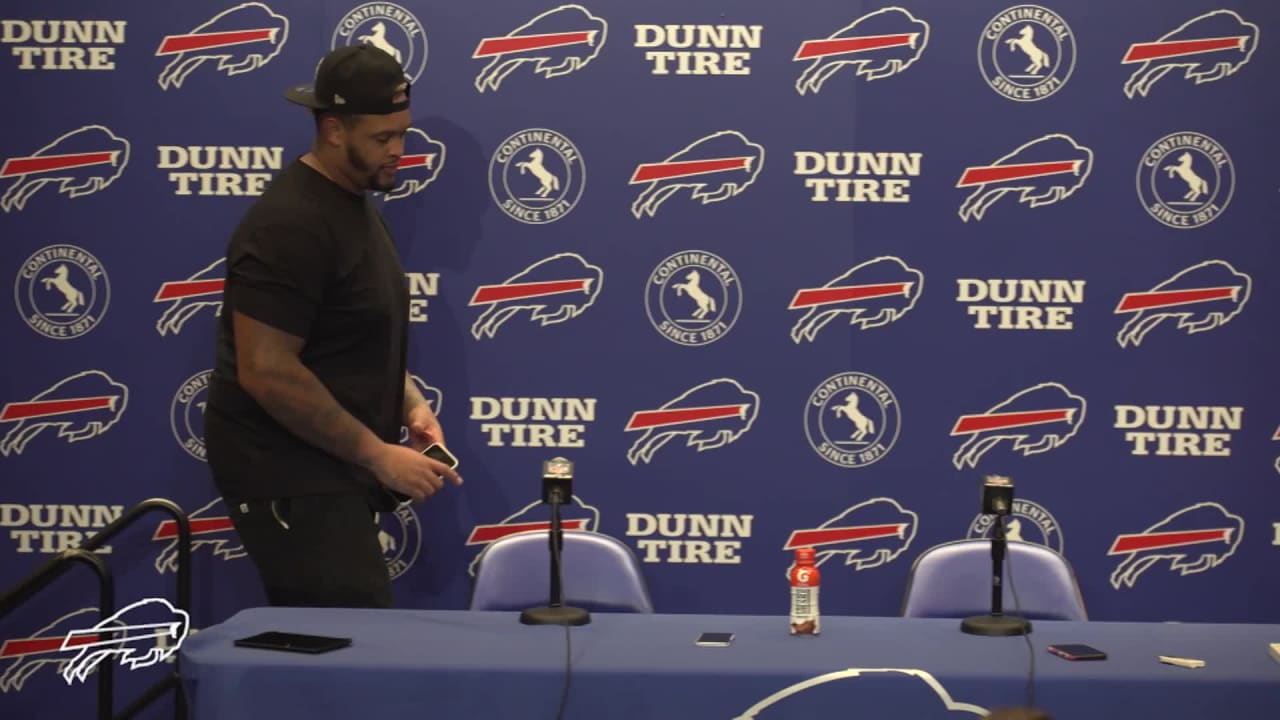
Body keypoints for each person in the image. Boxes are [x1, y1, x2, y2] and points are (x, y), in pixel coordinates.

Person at [204, 44, 462, 609]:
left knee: (349, 652)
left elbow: (351, 342)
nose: (398, 152)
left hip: (329, 474)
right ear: (333, 130)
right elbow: (266, 370)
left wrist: (409, 404)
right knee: (348, 650)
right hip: (287, 476)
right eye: (382, 139)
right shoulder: (288, 224)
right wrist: (376, 453)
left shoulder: (354, 204)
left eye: (402, 134)